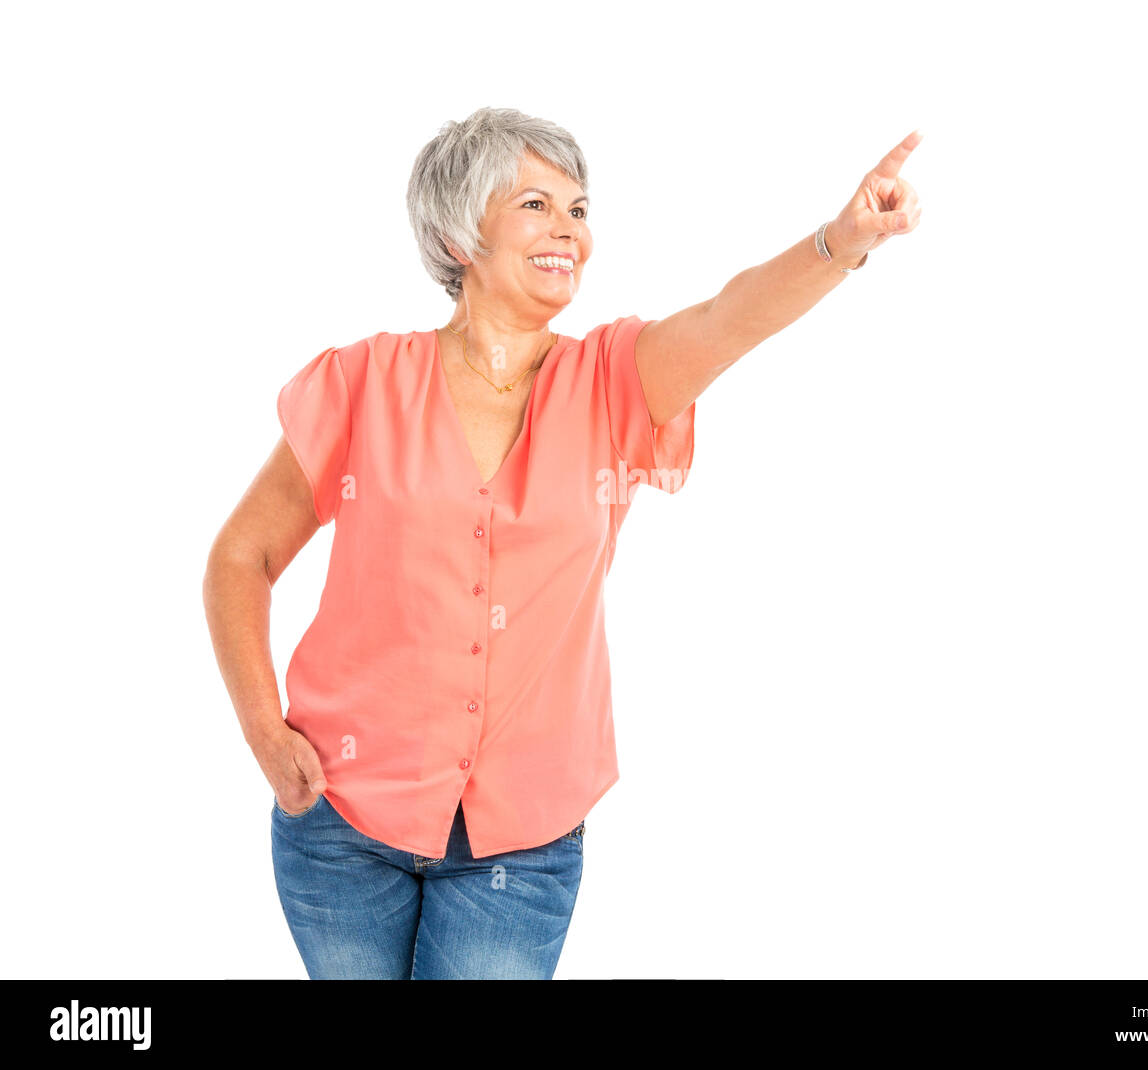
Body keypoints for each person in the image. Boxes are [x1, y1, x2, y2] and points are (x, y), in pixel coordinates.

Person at [202, 106, 922, 979]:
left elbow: (732, 316)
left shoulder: (613, 381)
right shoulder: (361, 383)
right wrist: (262, 733)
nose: (569, 231)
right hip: (340, 829)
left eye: (579, 210)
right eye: (536, 205)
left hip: (522, 847)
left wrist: (841, 242)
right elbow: (243, 557)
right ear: (461, 234)